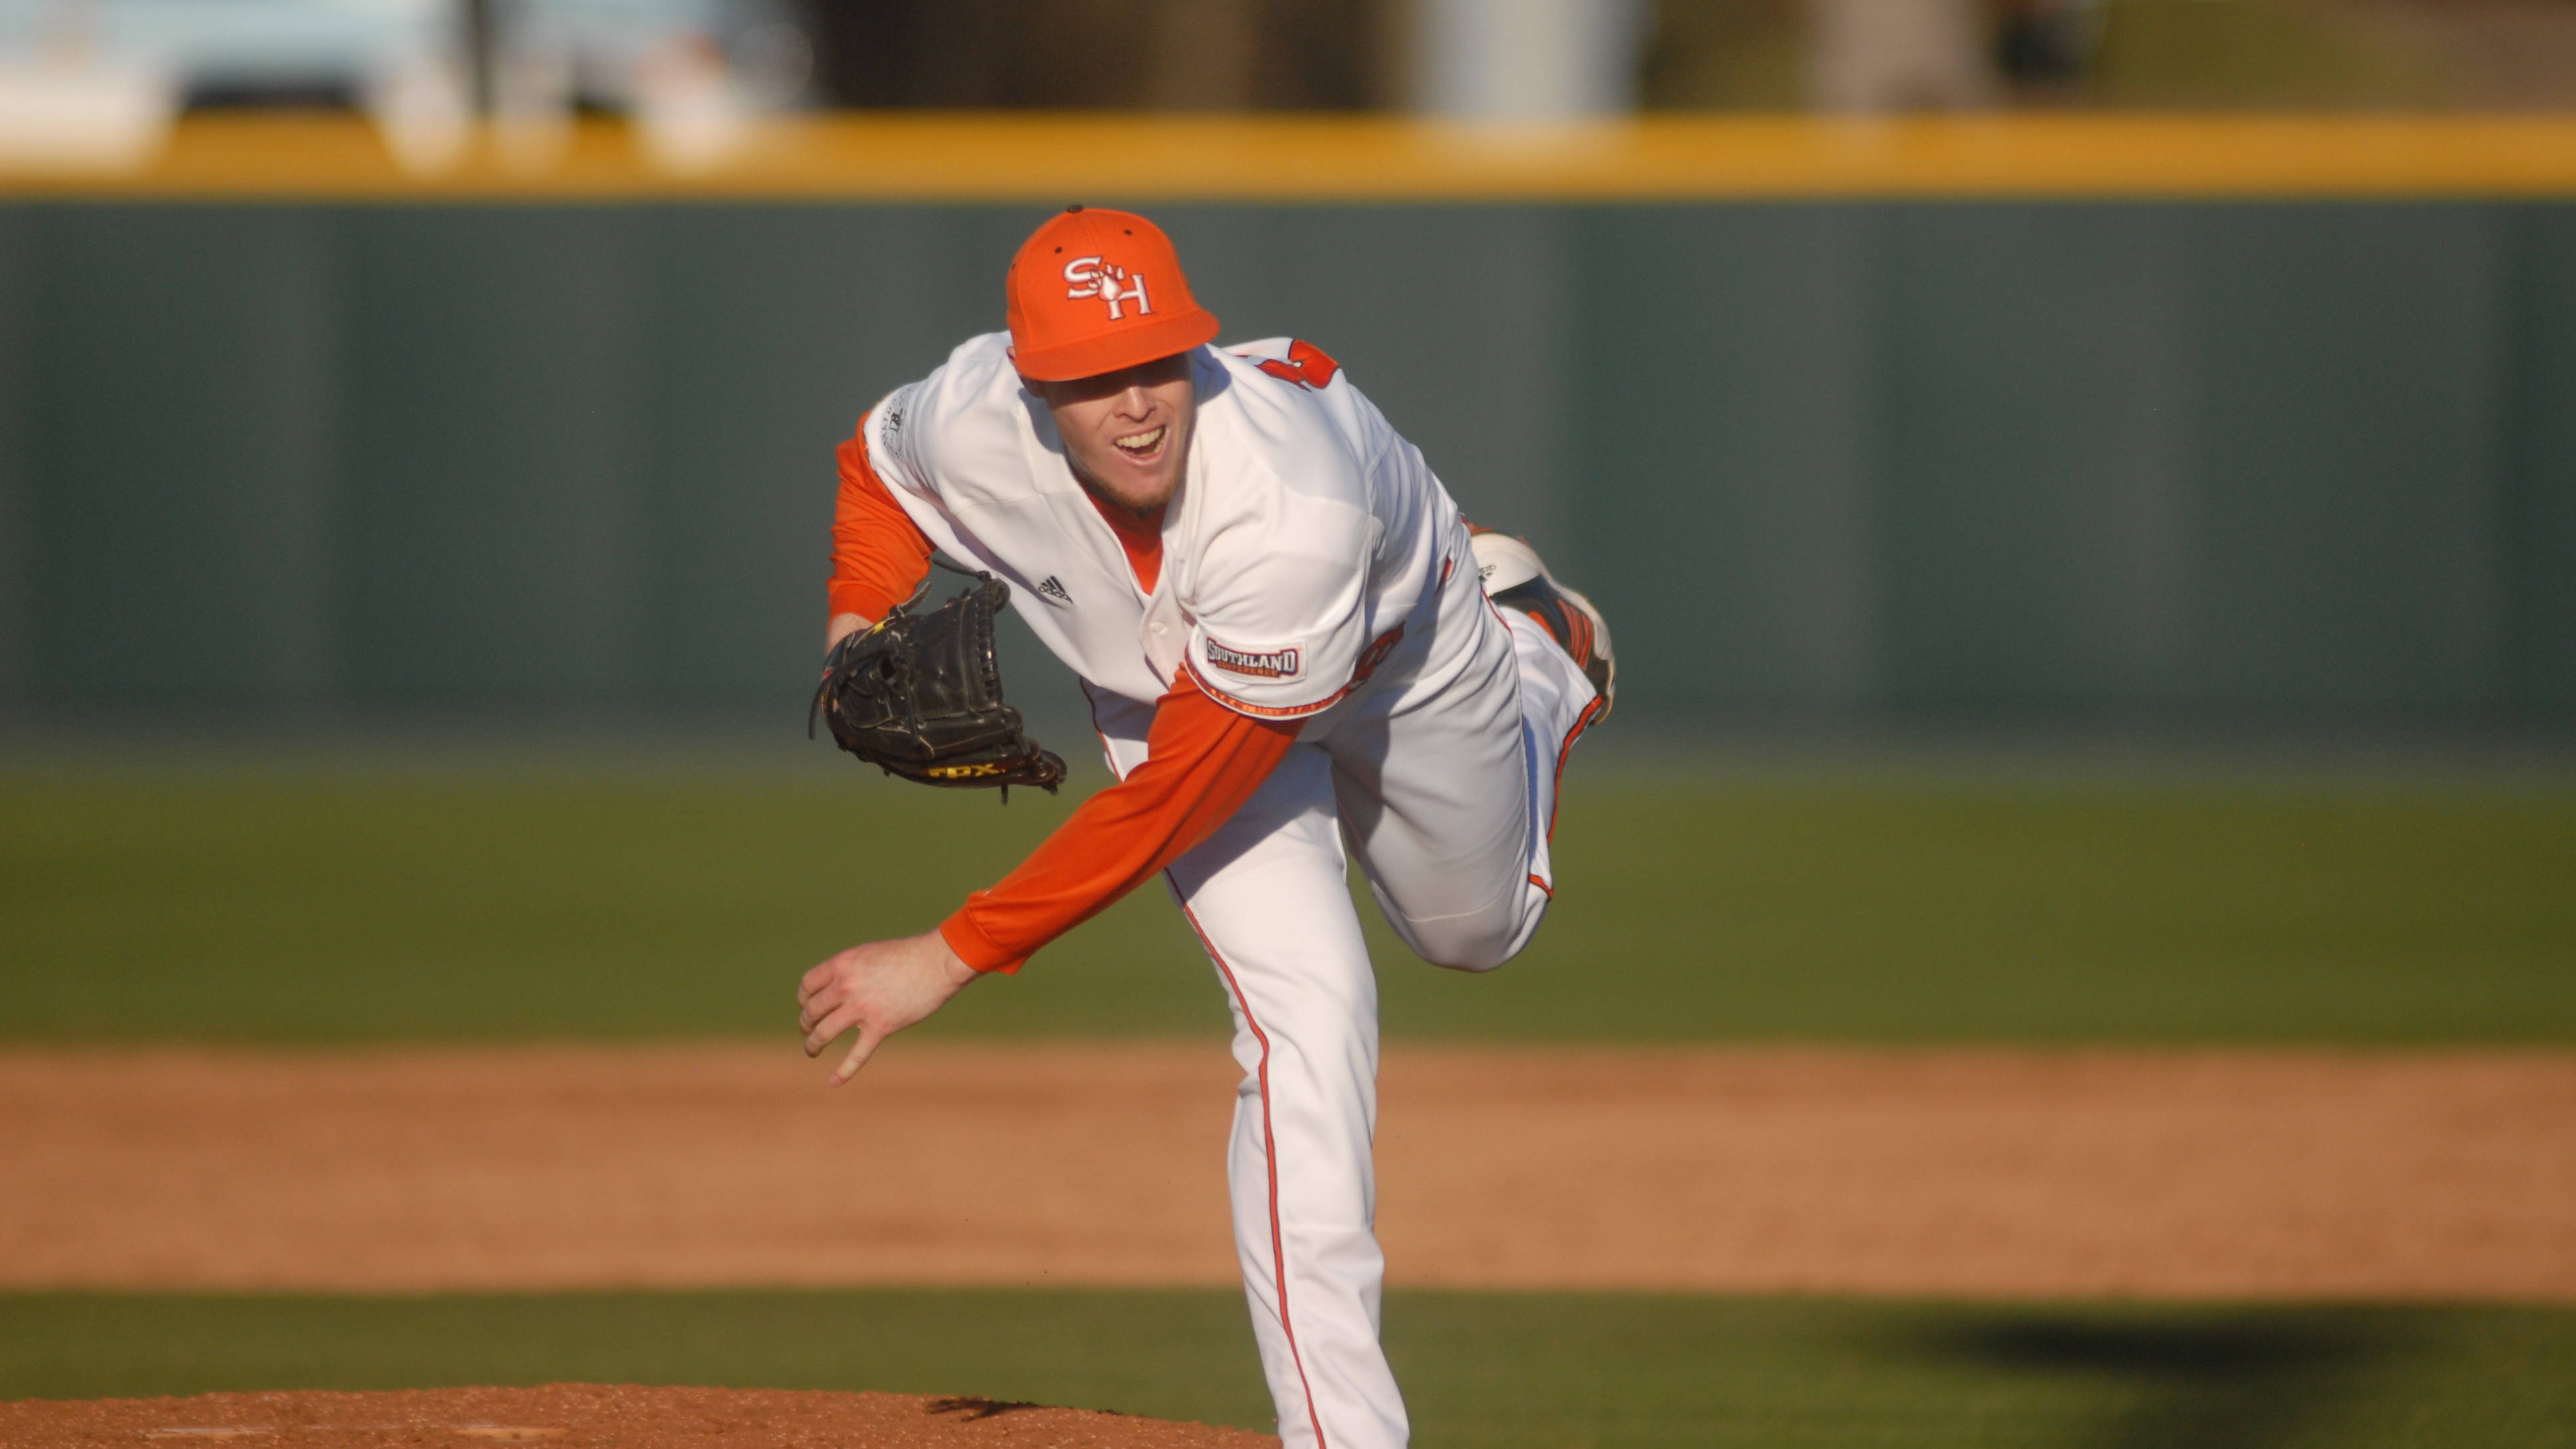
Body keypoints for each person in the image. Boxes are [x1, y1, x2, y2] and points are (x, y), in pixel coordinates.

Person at [794, 206, 1613, 1449]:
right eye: (1090, 376)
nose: (1135, 403)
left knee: (1477, 934)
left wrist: (949, 953)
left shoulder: (1293, 500)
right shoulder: (970, 416)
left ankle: (1536, 649)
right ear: (1028, 383)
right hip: (1162, 678)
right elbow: (875, 463)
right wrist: (858, 620)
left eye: (1156, 360)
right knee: (1309, 1017)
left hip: (1408, 655)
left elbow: (1181, 792)